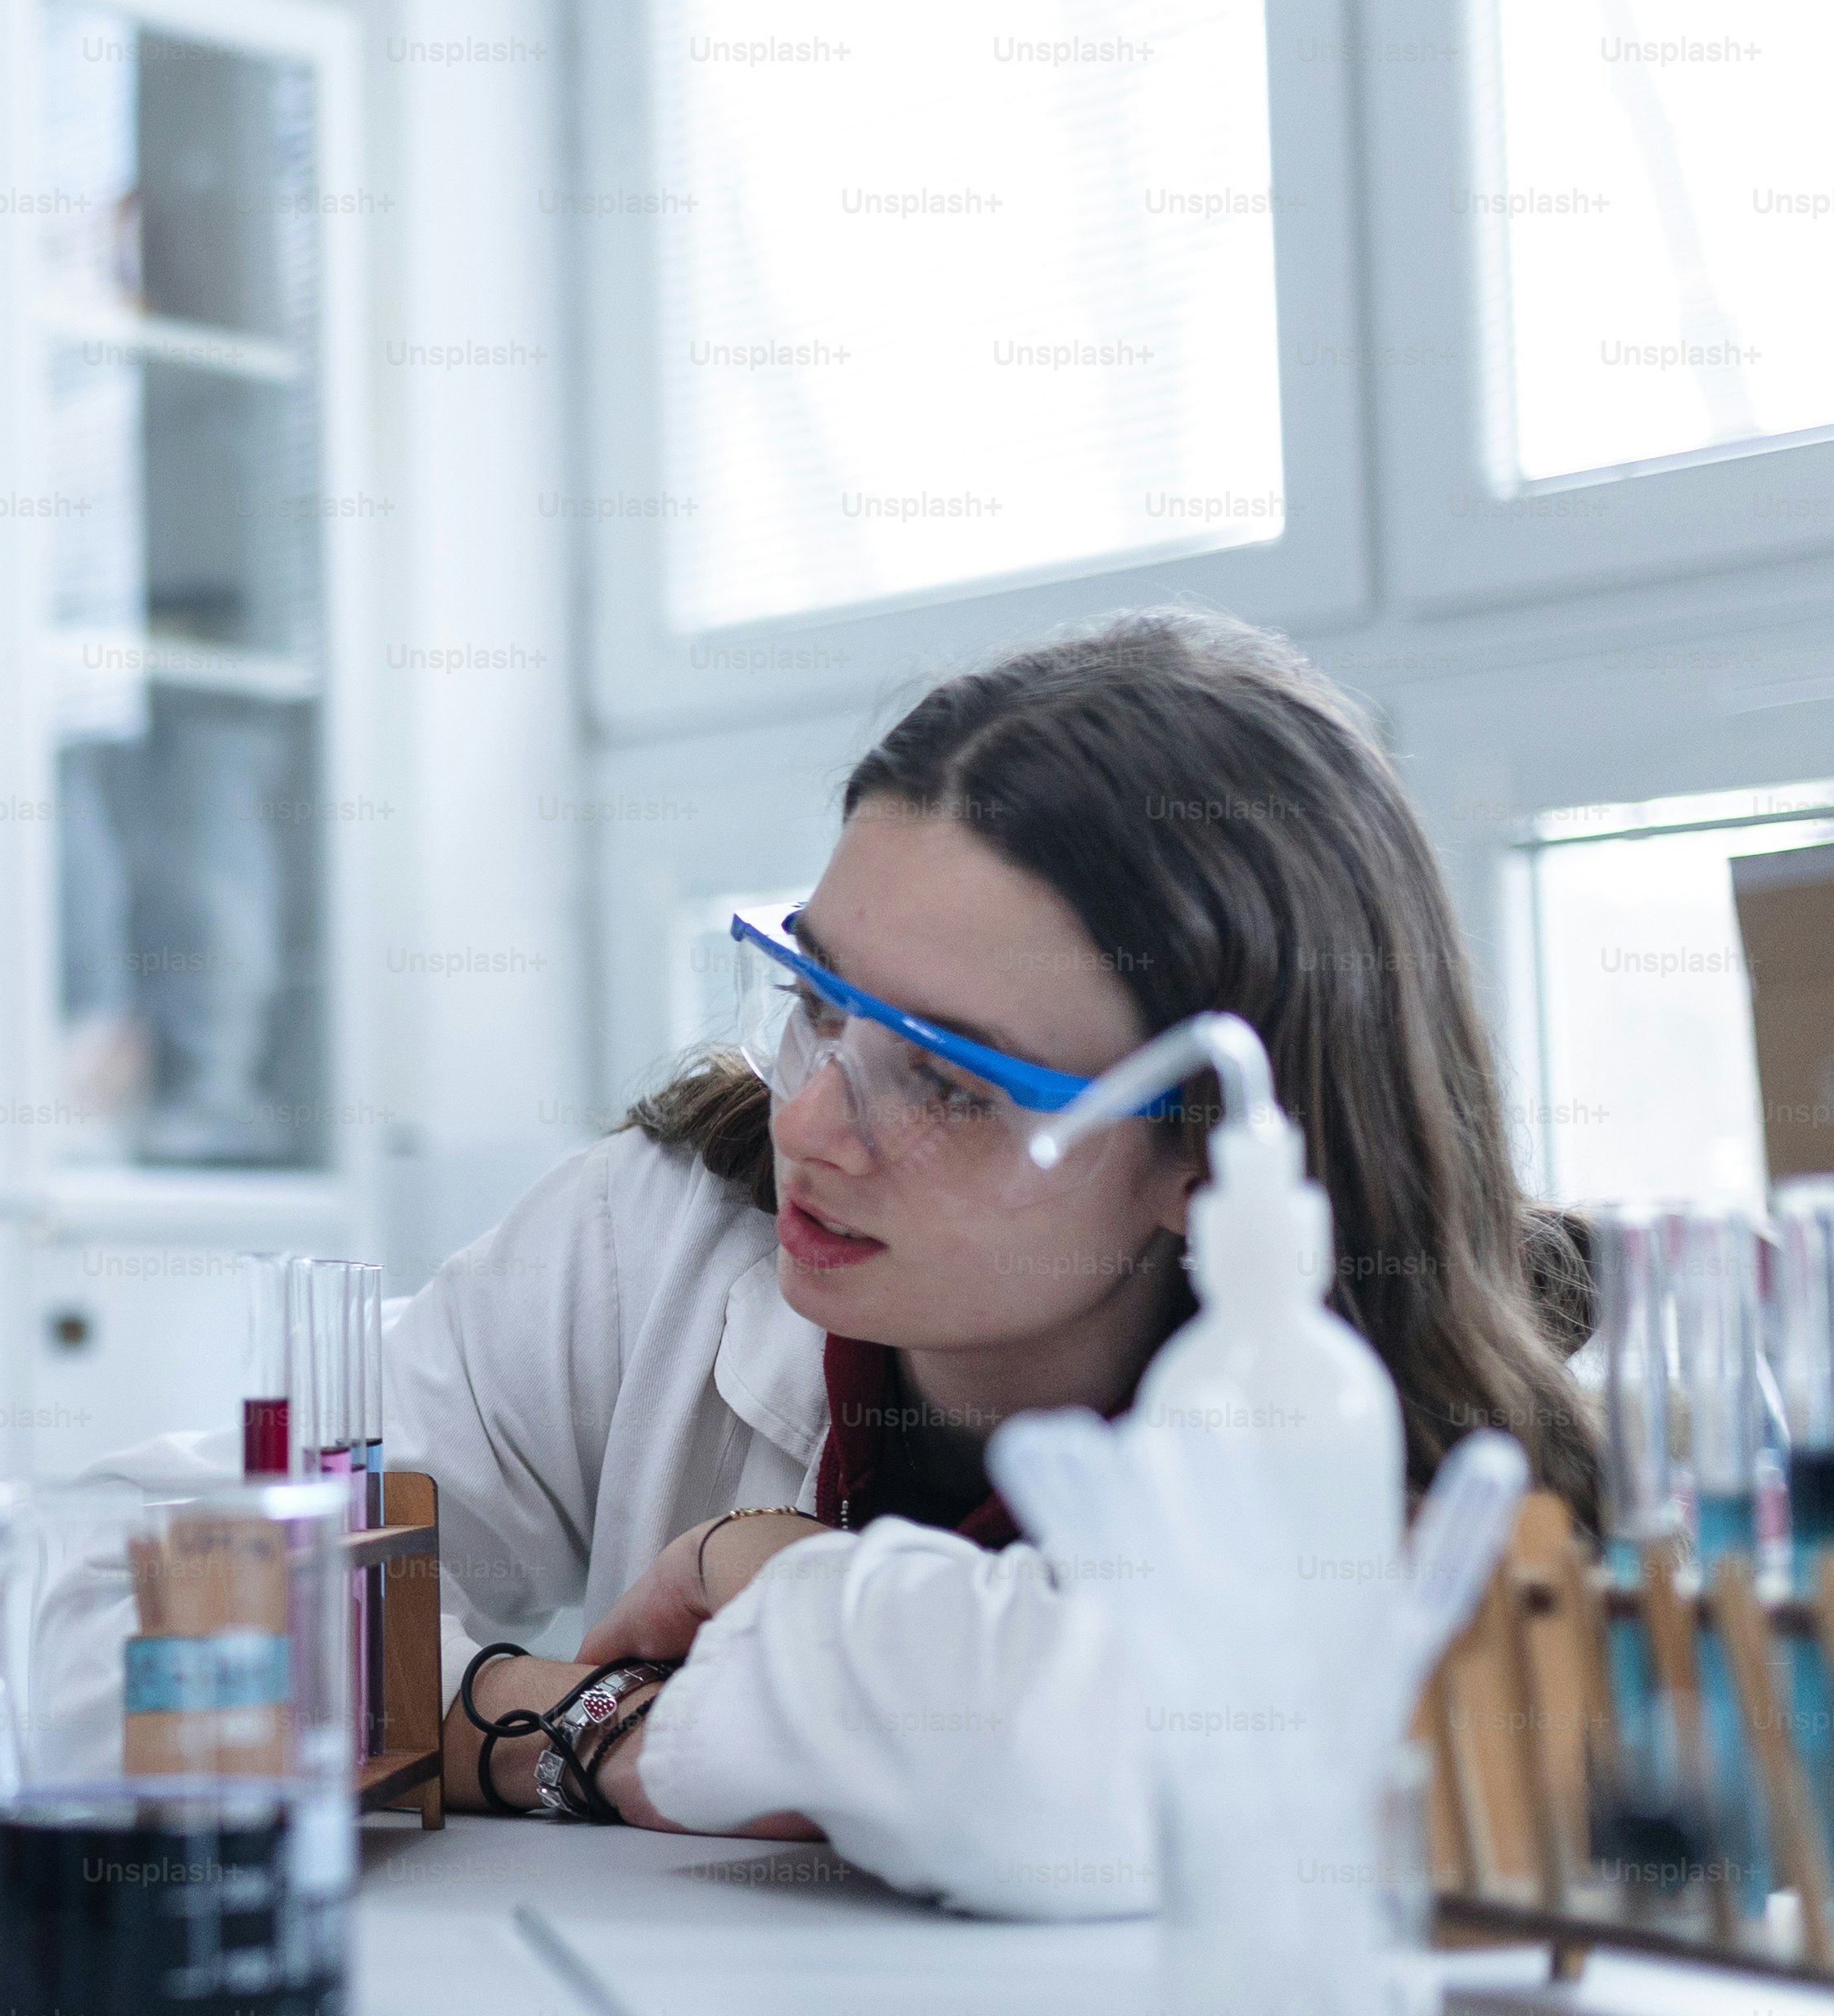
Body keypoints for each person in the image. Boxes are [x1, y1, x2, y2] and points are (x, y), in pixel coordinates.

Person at [376, 610, 1598, 1915]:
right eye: (818, 1002)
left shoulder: (1392, 1436)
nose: (809, 1123)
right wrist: (583, 1728)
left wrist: (767, 1571)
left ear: (1213, 1150)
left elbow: (1071, 1783)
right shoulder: (660, 1230)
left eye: (948, 1083)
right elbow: (232, 1592)